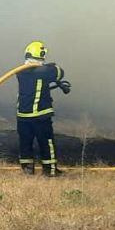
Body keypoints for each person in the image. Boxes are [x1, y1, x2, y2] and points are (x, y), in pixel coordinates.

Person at [17, 40, 71, 175]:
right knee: (46, 142)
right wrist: (51, 66)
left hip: (23, 116)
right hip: (40, 115)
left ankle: (27, 169)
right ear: (41, 55)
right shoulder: (44, 71)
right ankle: (50, 171)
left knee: (25, 142)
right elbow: (59, 72)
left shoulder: (21, 71)